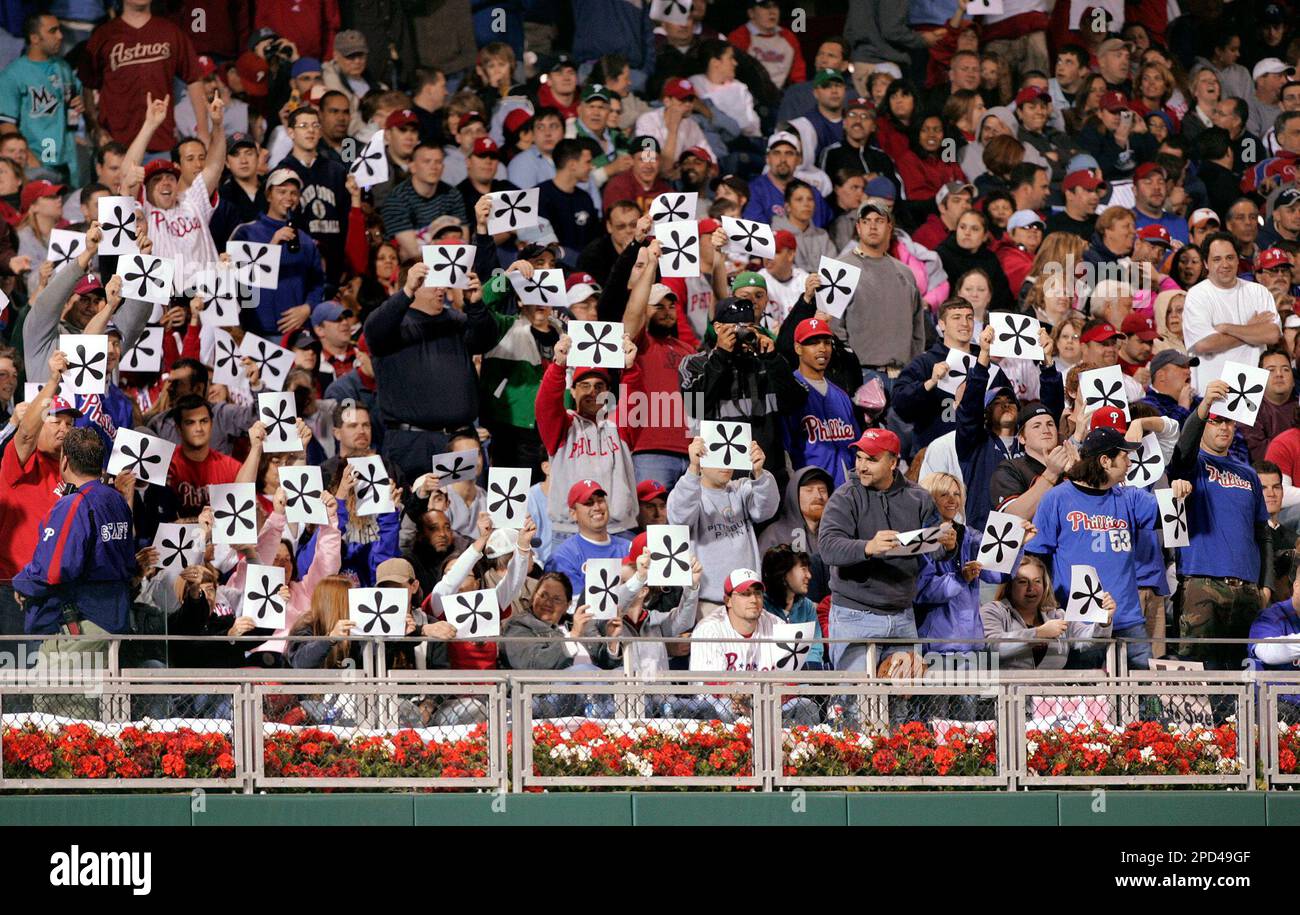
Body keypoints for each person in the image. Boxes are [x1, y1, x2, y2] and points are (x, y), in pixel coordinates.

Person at [820, 428, 957, 674]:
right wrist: (868, 547)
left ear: (893, 462)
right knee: (855, 703)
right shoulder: (845, 497)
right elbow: (828, 547)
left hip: (902, 615)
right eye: (859, 457)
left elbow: (934, 549)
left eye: (871, 460)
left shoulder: (918, 498)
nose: (861, 466)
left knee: (902, 704)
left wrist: (947, 545)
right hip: (855, 615)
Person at [1027, 425, 1162, 670]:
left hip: (1127, 620)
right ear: (1104, 461)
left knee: (1144, 700)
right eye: (1124, 456)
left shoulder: (1129, 497)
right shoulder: (1056, 499)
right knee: (1085, 700)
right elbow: (1037, 559)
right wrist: (1048, 607)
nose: (1130, 464)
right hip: (1080, 622)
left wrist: (1180, 492)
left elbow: (1168, 516)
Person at [1168, 378, 1273, 670]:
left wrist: (1265, 586)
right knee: (1201, 671)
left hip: (1247, 589)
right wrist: (1203, 408)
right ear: (1205, 425)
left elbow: (1262, 533)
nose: (1224, 427)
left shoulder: (1248, 473)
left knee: (1243, 670)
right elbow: (1184, 445)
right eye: (1216, 421)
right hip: (1202, 582)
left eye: (1228, 422)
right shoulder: (1190, 465)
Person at [14, 427, 133, 682]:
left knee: (62, 715)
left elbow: (55, 570)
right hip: (113, 619)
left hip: (82, 625)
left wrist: (23, 582)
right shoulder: (116, 500)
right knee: (100, 714)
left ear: (65, 460)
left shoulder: (75, 503)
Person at [364, 262, 496, 487]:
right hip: (412, 444)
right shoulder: (393, 327)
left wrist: (476, 306)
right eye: (432, 284)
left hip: (459, 438)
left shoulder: (455, 321)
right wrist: (405, 293)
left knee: (464, 512)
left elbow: (486, 340)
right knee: (412, 512)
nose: (441, 290)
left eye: (442, 284)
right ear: (413, 284)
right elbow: (373, 330)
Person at [0, 352, 78, 636]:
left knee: (53, 674)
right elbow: (25, 434)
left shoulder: (72, 471)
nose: (64, 429)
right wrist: (53, 381)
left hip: (57, 590)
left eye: (69, 424)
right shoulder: (19, 460)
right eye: (55, 421)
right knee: (16, 672)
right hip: (11, 586)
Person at [666, 434, 779, 612]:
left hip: (748, 596)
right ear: (702, 457)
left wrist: (759, 473)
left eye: (729, 455)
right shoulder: (687, 491)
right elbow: (680, 518)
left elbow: (767, 509)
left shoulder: (742, 488)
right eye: (717, 455)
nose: (725, 463)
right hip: (709, 602)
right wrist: (693, 468)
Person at [79, 0, 208, 153]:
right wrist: (95, 127)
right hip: (116, 146)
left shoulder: (170, 31)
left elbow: (194, 79)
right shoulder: (104, 35)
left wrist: (203, 130)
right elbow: (87, 84)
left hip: (162, 141)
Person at [229, 168, 325, 337]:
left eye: (294, 193)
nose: (288, 198)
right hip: (257, 332)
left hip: (297, 334)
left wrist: (307, 308)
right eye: (281, 192)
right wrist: (272, 247)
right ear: (268, 195)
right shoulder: (245, 233)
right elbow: (238, 280)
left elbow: (317, 283)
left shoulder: (306, 241)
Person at [1182, 232, 1281, 393]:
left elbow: (1272, 335)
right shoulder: (1197, 295)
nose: (1225, 264)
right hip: (1212, 393)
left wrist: (1228, 328)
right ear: (1206, 263)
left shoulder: (1258, 291)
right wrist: (1252, 330)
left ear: (1238, 259)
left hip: (1254, 391)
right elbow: (1204, 344)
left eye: (1230, 257)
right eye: (1217, 259)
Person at [979, 555, 1116, 670]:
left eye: (1037, 581)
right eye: (1022, 582)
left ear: (1045, 586)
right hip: (1008, 698)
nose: (1031, 588)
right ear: (1009, 586)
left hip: (1051, 698)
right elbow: (994, 647)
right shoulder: (993, 611)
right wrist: (1038, 634)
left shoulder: (1057, 616)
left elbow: (1090, 640)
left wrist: (1104, 620)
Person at [0, 13, 83, 186]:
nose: (60, 36)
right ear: (35, 38)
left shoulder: (63, 67)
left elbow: (74, 101)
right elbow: (6, 124)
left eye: (59, 29)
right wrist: (29, 158)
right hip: (38, 162)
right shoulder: (13, 75)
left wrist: (79, 102)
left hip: (68, 160)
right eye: (53, 31)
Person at [272, 106, 351, 282]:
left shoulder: (336, 171)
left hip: (334, 263)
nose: (310, 130)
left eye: (315, 125)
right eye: (304, 125)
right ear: (291, 132)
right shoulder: (281, 173)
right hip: (297, 264)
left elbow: (346, 218)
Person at [782, 317, 858, 486]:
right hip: (810, 490)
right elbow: (784, 450)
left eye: (826, 342)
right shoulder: (789, 392)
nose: (822, 349)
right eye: (813, 343)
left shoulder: (841, 396)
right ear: (798, 348)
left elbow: (856, 448)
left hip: (846, 492)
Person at [545, 480, 633, 596]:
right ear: (573, 513)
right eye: (588, 503)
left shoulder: (629, 547)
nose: (596, 507)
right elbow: (573, 606)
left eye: (600, 500)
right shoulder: (563, 556)